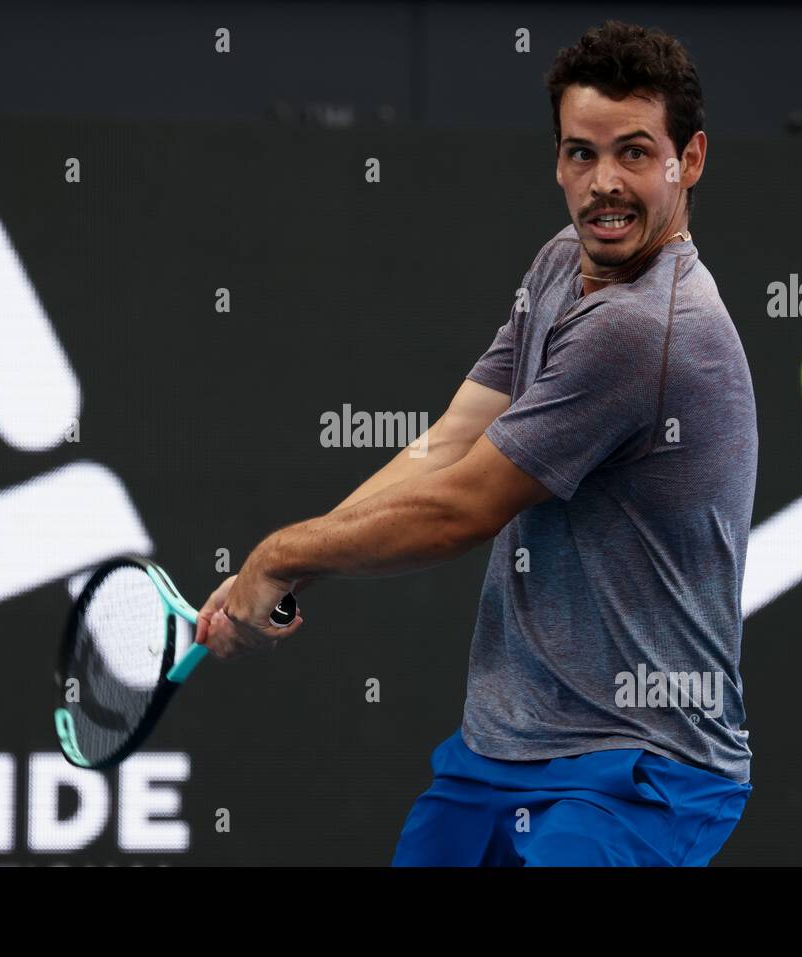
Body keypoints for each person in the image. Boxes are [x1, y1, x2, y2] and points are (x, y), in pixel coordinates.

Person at [193, 19, 756, 866]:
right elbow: (448, 443)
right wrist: (273, 574)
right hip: (497, 752)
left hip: (640, 771)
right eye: (580, 153)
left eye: (635, 153)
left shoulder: (643, 331)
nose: (604, 184)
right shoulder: (562, 262)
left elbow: (462, 509)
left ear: (692, 159)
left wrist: (279, 551)